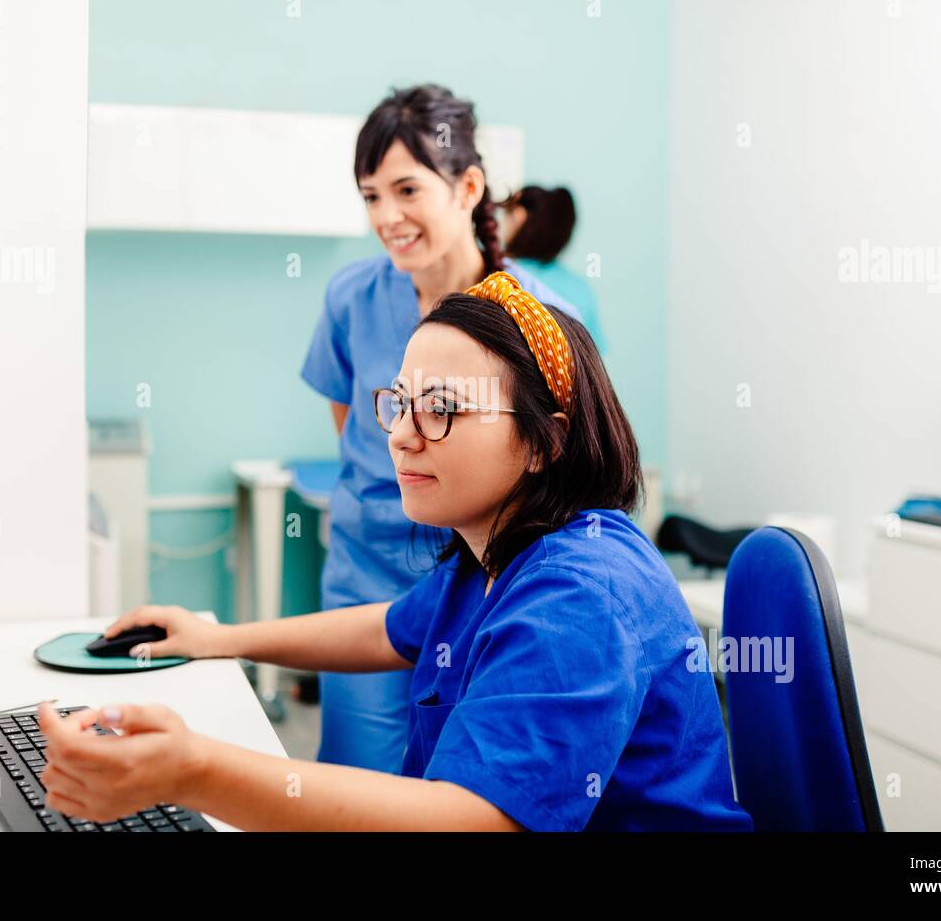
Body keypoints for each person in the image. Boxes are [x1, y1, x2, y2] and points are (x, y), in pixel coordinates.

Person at [36, 272, 753, 831]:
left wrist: (190, 772)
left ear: (545, 441)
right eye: (400, 402)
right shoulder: (496, 556)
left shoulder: (582, 596)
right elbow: (385, 628)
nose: (402, 434)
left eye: (443, 408)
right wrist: (217, 638)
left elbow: (475, 821)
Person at [299, 84, 579, 773]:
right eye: (370, 197)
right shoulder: (352, 300)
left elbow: (562, 469)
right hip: (367, 578)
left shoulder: (538, 321)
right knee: (357, 791)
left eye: (405, 189)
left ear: (467, 186)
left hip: (484, 589)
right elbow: (363, 439)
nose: (386, 216)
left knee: (460, 786)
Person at [498, 185, 606, 350]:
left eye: (507, 215)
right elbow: (593, 362)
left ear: (519, 217)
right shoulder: (581, 290)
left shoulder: (501, 278)